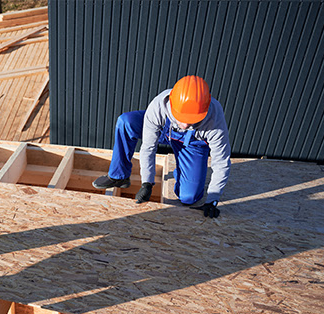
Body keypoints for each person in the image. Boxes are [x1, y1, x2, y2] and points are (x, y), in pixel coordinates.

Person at [93, 75, 231, 218]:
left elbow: (221, 162)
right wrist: (147, 182)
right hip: (164, 132)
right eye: (181, 118)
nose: (184, 125)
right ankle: (119, 176)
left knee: (189, 198)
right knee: (126, 122)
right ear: (172, 104)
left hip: (193, 143)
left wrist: (213, 199)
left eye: (191, 121)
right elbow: (148, 147)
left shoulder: (215, 119)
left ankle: (183, 171)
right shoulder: (159, 104)